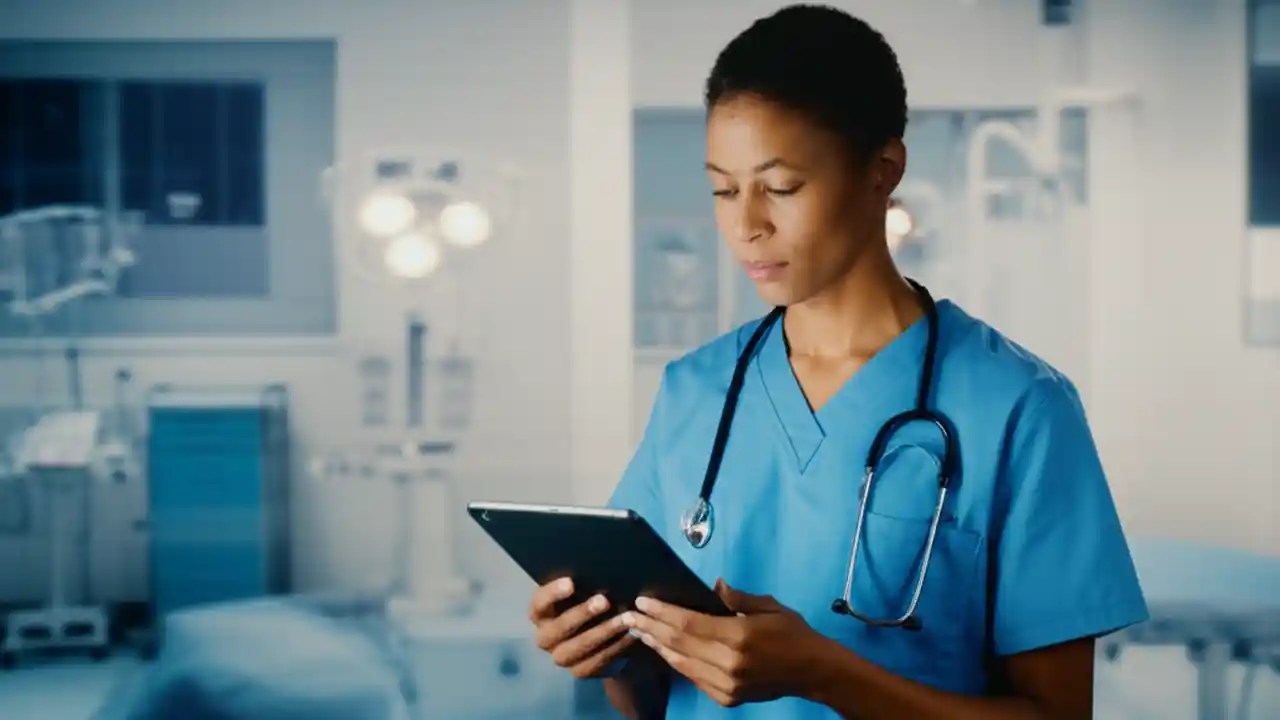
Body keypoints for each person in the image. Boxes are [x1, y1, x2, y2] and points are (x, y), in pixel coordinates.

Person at [527, 4, 1148, 718]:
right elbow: (655, 701)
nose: (746, 223)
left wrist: (825, 674)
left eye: (781, 187)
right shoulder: (695, 390)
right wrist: (610, 653)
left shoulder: (1017, 407)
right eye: (723, 190)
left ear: (882, 171)